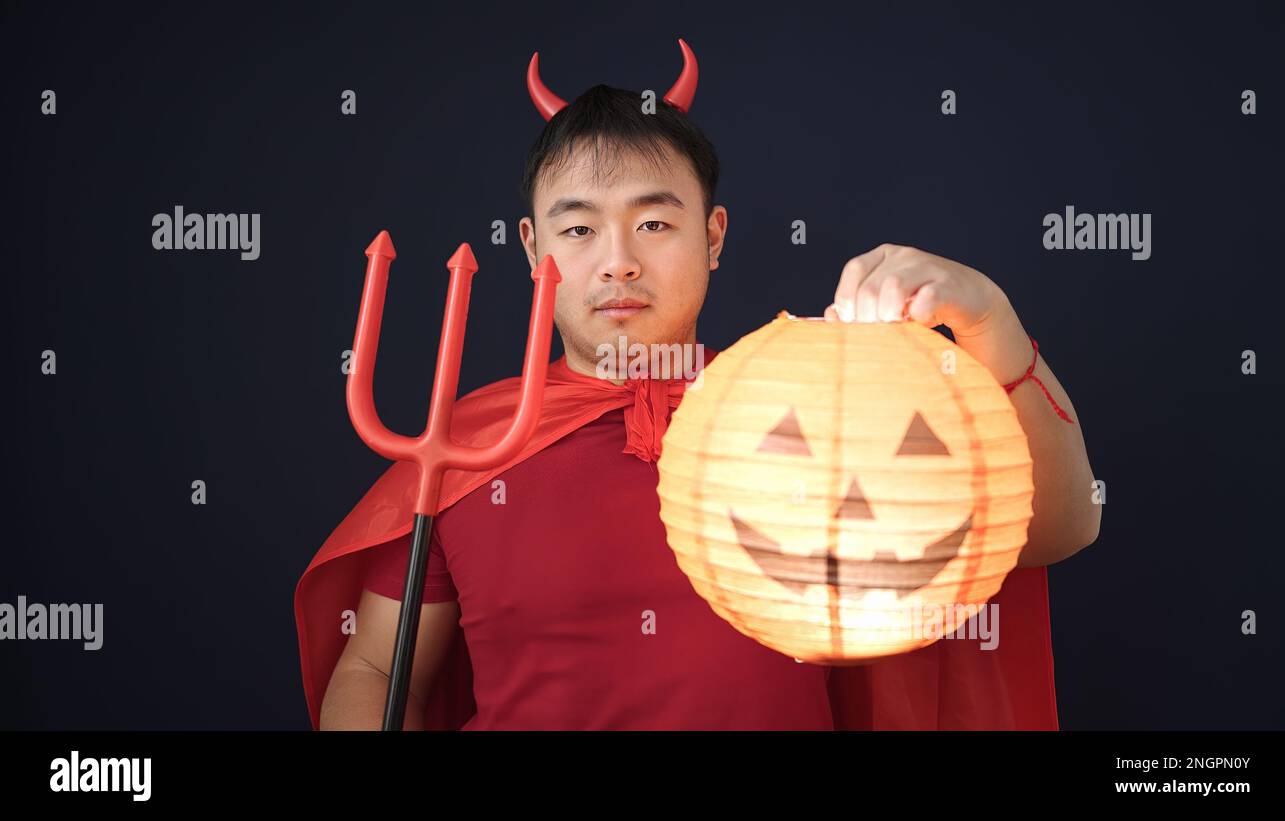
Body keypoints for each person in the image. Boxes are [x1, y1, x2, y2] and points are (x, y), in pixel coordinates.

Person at [295, 40, 1101, 730]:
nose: (617, 260)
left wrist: (990, 318)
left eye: (654, 222)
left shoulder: (811, 406)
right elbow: (373, 665)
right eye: (578, 229)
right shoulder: (464, 442)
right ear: (529, 247)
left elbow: (1061, 528)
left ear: (713, 236)